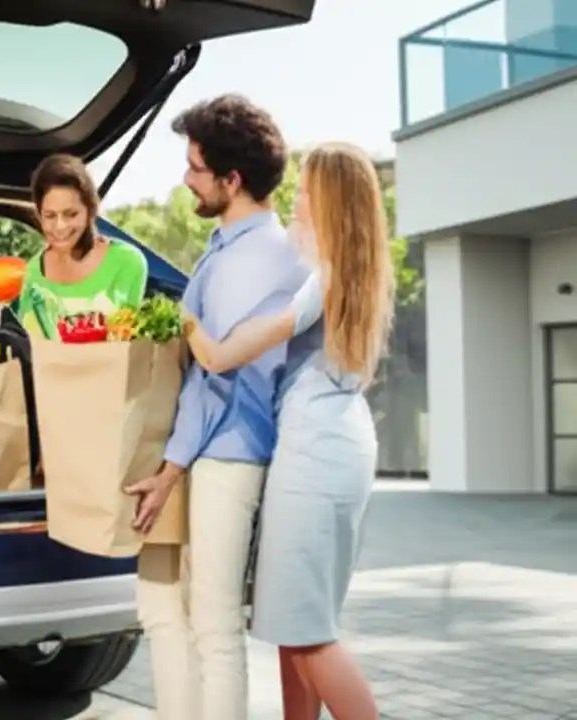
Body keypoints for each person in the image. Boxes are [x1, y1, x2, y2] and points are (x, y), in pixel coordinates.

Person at [166, 142, 393, 720]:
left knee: (306, 636)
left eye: (310, 190)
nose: (297, 199)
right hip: (342, 443)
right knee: (304, 629)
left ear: (332, 202)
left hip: (313, 453)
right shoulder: (355, 273)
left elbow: (222, 356)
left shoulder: (322, 278)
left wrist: (187, 319)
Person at [124, 94, 308, 720]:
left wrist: (170, 468)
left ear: (232, 180)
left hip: (226, 455)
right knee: (160, 609)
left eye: (195, 167)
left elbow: (214, 374)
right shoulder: (228, 247)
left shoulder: (255, 260)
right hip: (196, 450)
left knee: (214, 623)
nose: (185, 178)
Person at [16, 154, 148, 339]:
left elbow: (131, 341)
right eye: (50, 216)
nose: (60, 226)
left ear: (90, 210)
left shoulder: (127, 263)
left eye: (71, 214)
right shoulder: (30, 274)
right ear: (39, 215)